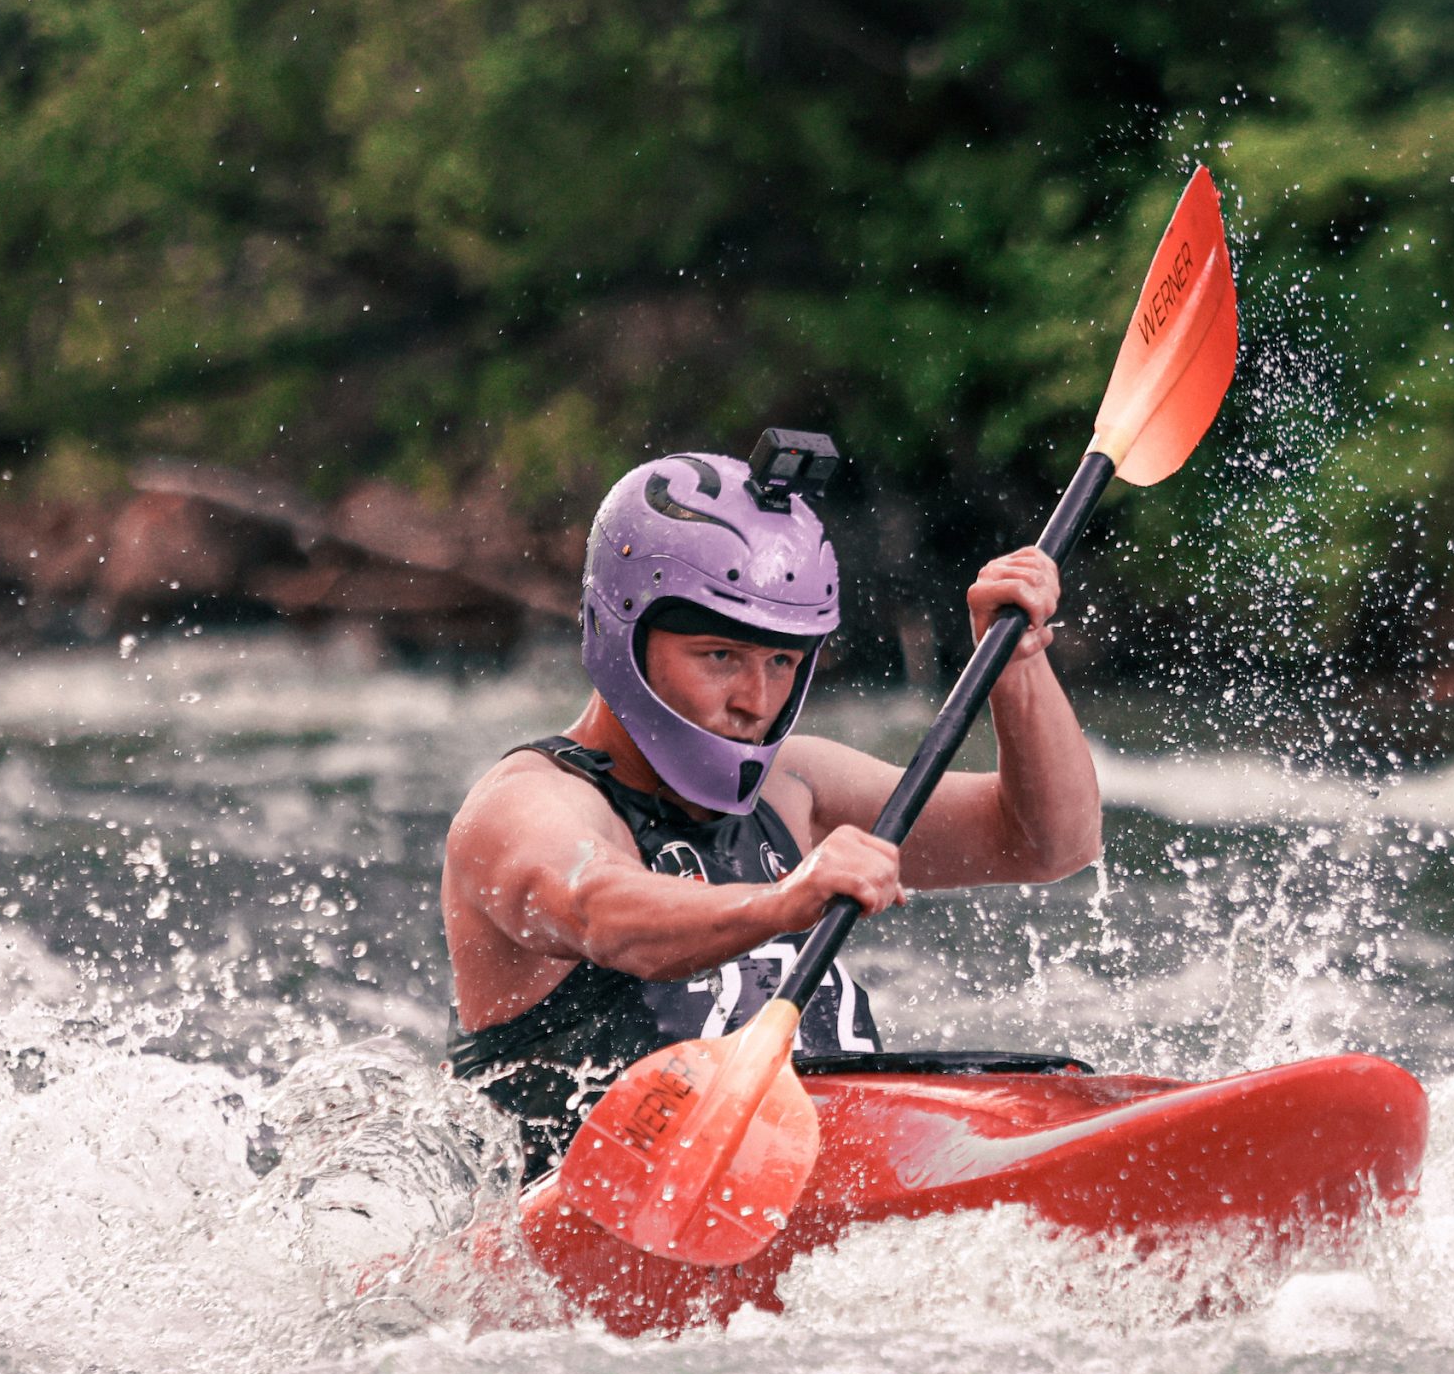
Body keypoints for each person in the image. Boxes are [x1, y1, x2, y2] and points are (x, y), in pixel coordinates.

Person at [442, 438, 1101, 1181]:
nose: (756, 702)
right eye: (719, 656)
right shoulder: (527, 803)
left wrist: (1020, 661)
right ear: (622, 629)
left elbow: (1046, 843)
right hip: (608, 1227)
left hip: (835, 1185)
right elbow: (600, 910)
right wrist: (783, 900)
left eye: (782, 662)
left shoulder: (798, 787)